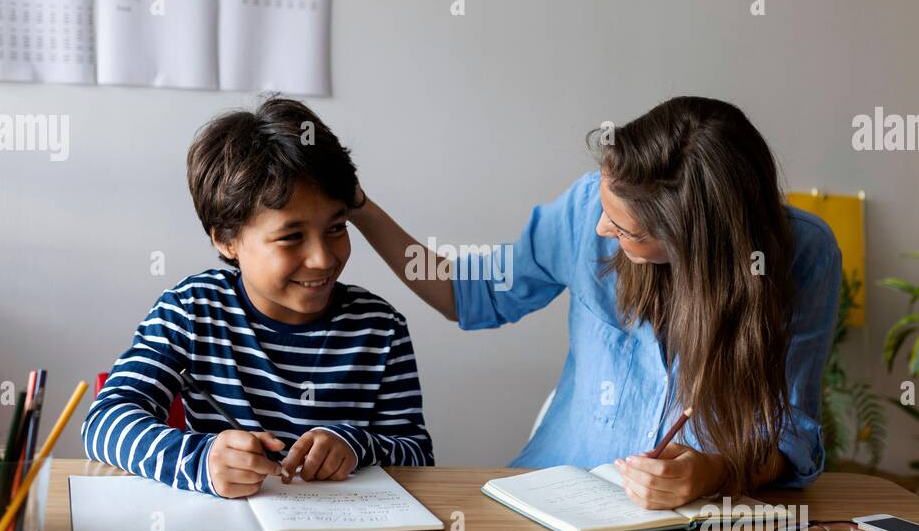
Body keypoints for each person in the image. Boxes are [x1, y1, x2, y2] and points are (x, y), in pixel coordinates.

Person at [350, 96, 840, 509]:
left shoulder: (804, 257)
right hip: (553, 499)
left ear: (694, 246)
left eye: (626, 230)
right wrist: (362, 210)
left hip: (697, 525)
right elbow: (467, 293)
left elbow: (791, 434)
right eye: (606, 210)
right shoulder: (588, 209)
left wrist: (714, 471)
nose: (603, 230)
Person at [82, 97, 434, 497]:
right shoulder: (192, 310)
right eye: (291, 237)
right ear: (226, 239)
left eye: (336, 228)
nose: (322, 258)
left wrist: (358, 444)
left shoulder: (381, 328)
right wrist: (202, 459)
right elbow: (104, 422)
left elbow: (419, 456)